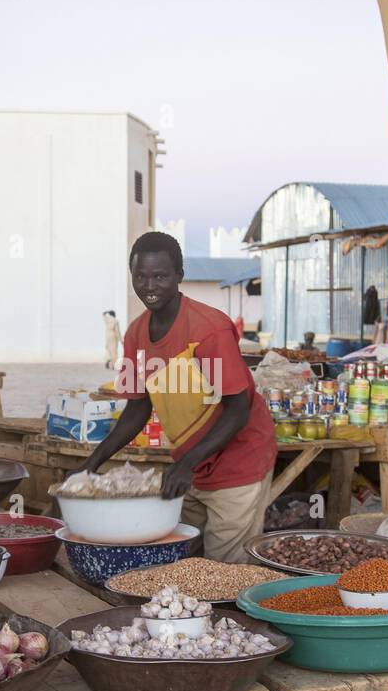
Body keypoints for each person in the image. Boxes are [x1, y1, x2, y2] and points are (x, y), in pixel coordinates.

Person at [76, 232, 277, 563]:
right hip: (191, 464)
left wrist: (187, 462)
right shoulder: (136, 333)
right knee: (181, 560)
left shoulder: (209, 328)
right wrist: (90, 464)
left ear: (179, 276)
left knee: (223, 569)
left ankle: (230, 616)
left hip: (239, 461)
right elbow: (137, 409)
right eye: (140, 276)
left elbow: (238, 409)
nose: (149, 286)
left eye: (160, 276)